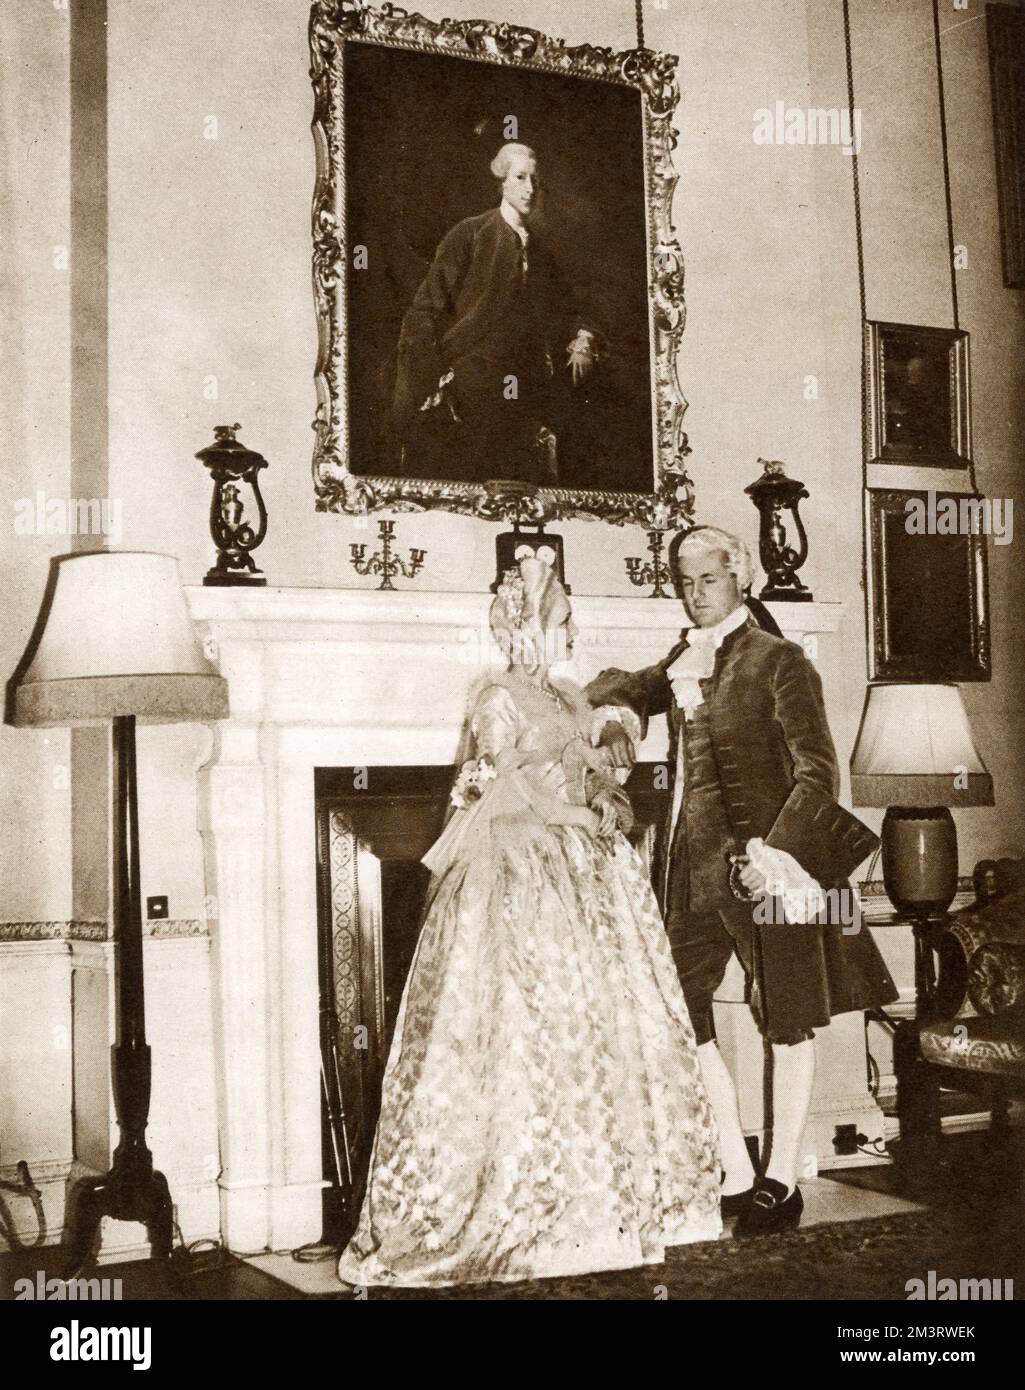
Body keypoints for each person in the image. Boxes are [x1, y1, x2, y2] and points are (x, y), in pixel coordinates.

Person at [337, 556, 721, 1288]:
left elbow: (596, 773)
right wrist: (577, 809)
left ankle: (596, 1209)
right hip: (516, 874)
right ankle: (513, 1210)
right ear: (522, 631)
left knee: (591, 1035)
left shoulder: (575, 699)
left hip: (584, 874)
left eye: (567, 622)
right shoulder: (495, 696)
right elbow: (497, 785)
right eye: (558, 622)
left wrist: (609, 798)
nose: (566, 633)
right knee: (519, 1030)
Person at [586, 526, 898, 1238]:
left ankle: (782, 1178)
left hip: (770, 869)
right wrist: (612, 714)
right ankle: (733, 1165)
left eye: (707, 580)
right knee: (677, 1005)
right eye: (684, 582)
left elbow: (817, 769)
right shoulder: (683, 657)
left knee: (787, 1015)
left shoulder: (779, 660)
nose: (695, 594)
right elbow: (622, 685)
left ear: (741, 577)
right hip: (692, 871)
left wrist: (781, 854)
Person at [391, 142, 600, 485]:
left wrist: (583, 339)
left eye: (535, 179)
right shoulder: (470, 234)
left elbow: (569, 310)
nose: (530, 188)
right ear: (502, 182)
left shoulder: (542, 252)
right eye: (519, 177)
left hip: (529, 387)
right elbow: (424, 310)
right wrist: (427, 376)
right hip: (470, 383)